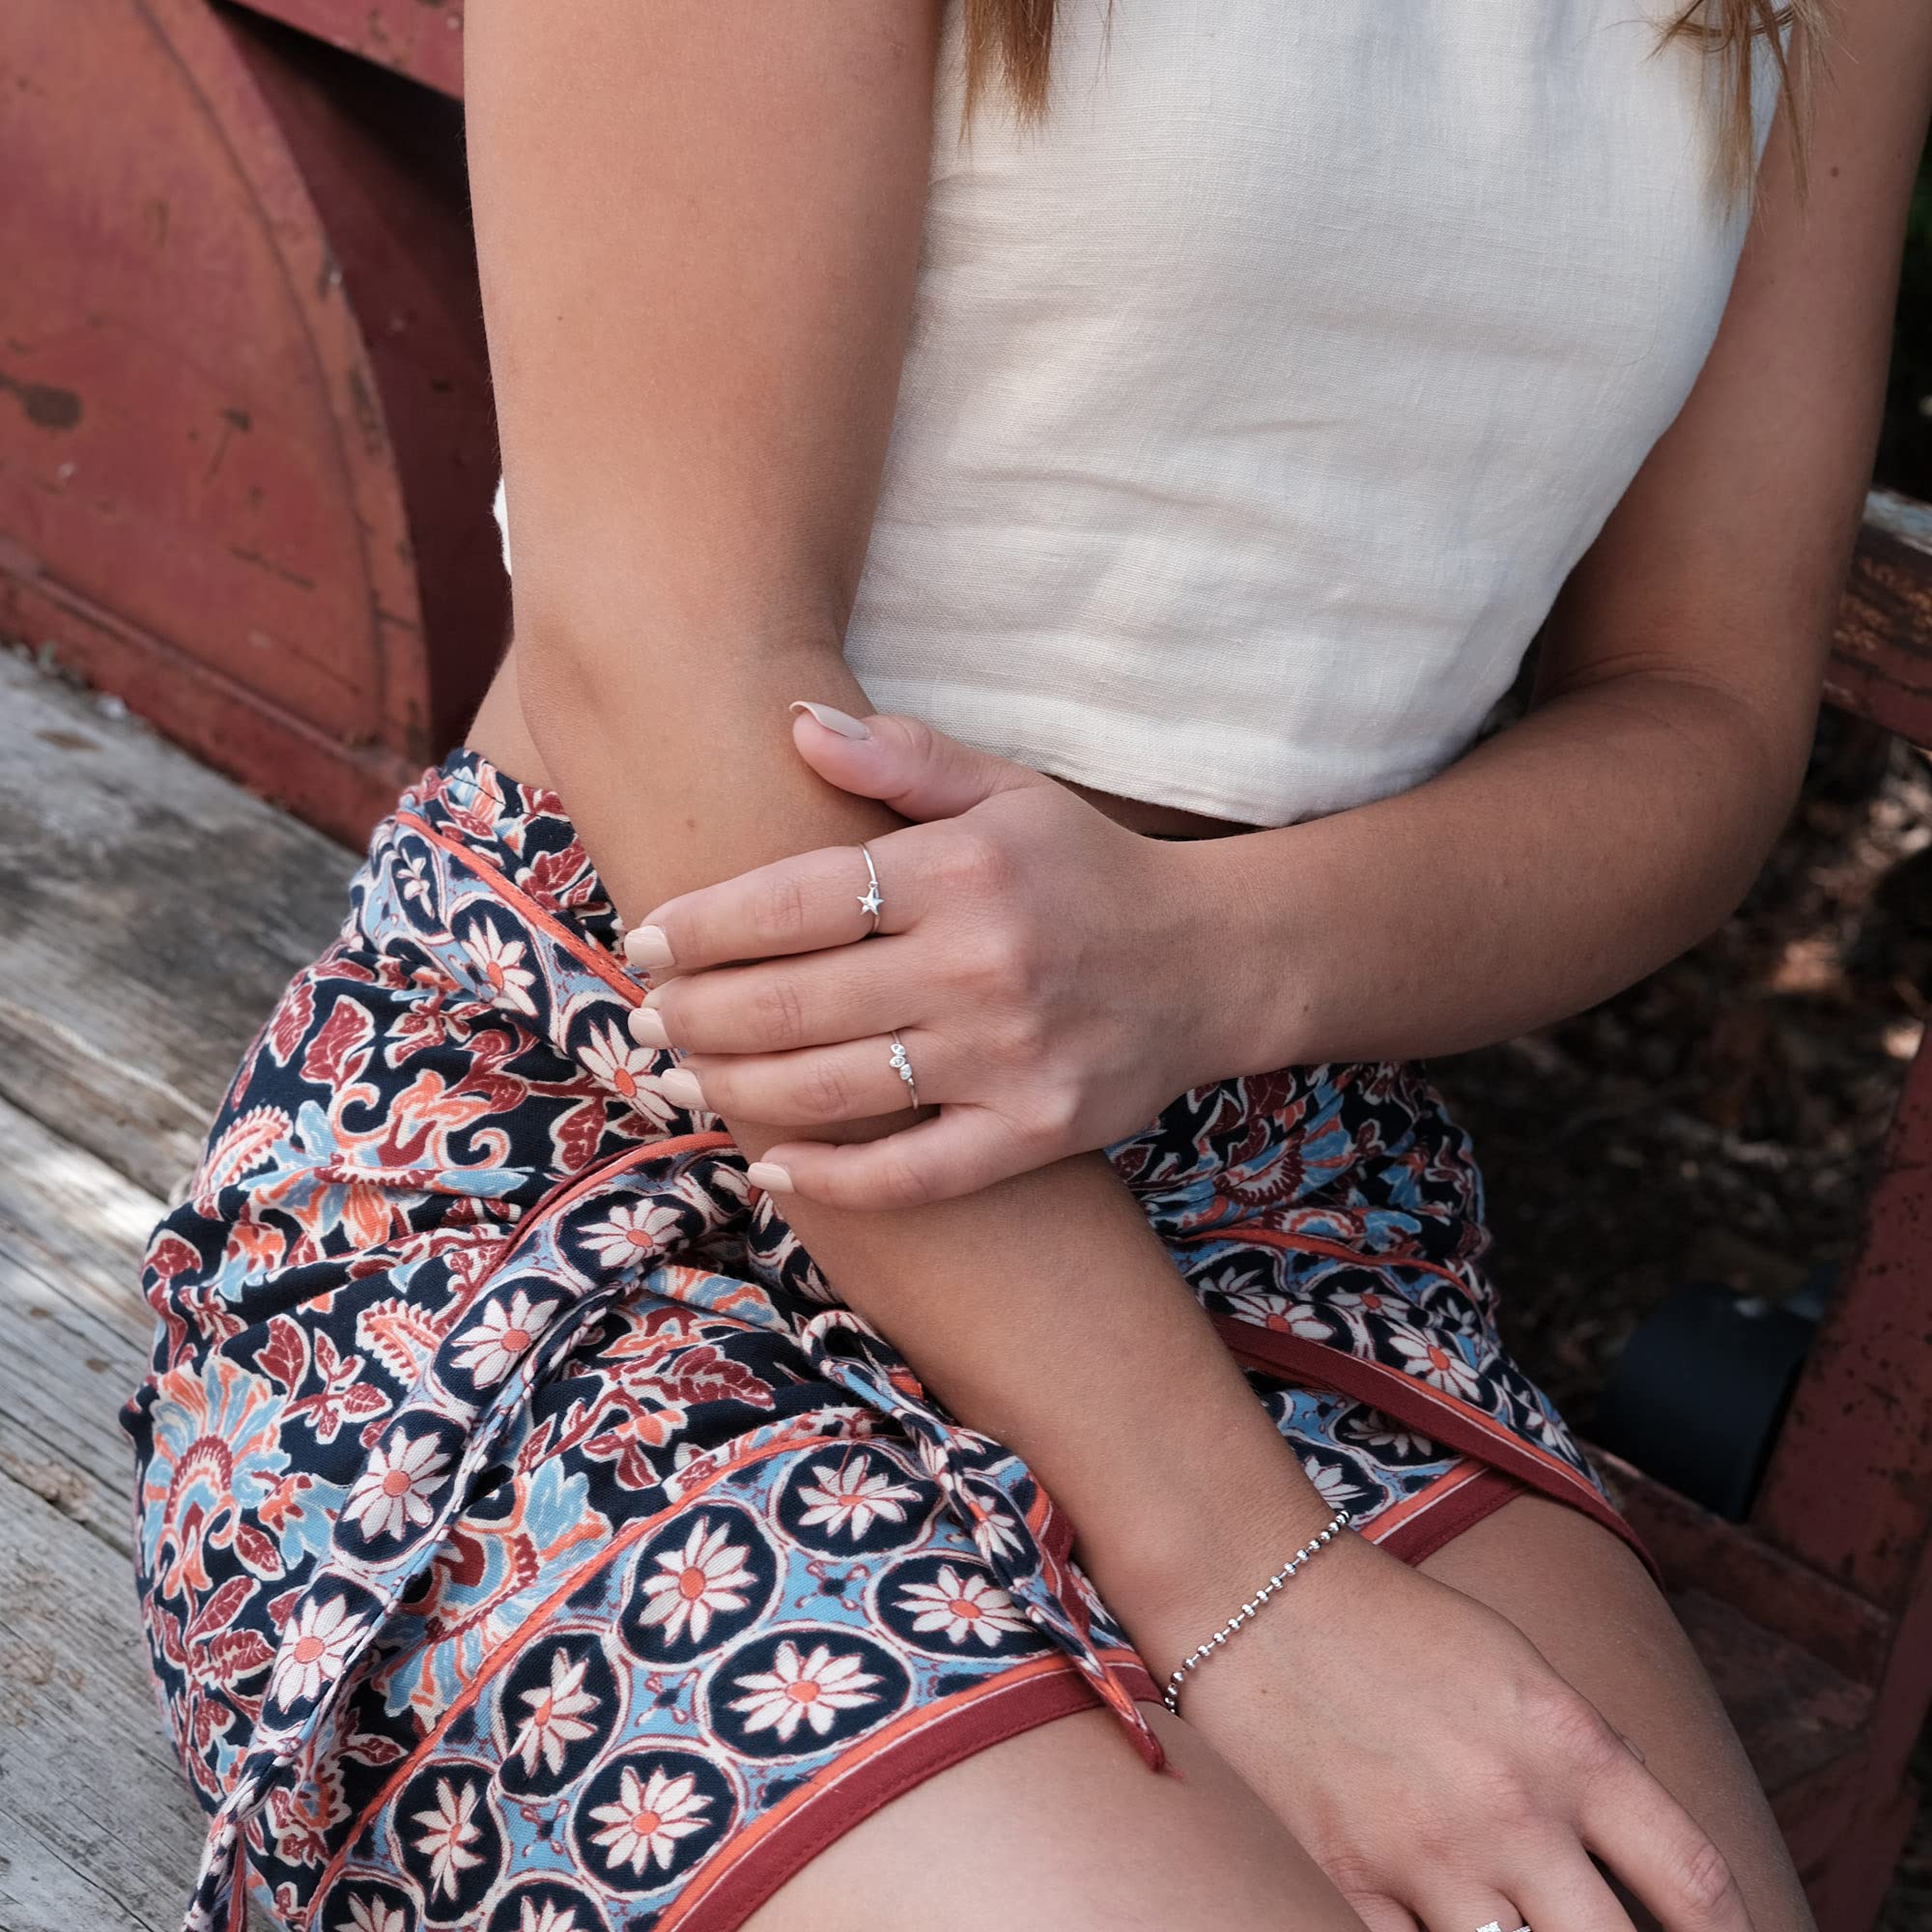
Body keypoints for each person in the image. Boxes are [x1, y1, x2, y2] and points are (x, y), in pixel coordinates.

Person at [121, 3, 1932, 1929]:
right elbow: (668, 648)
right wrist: (1266, 1592)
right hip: (619, 1127)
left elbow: (1706, 707)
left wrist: (1209, 960)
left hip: (1254, 1181)